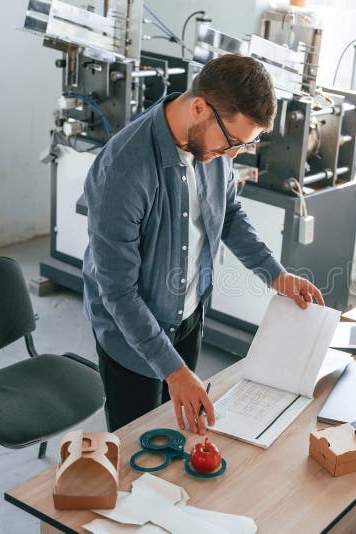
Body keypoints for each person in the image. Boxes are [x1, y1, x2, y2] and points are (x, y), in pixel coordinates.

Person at [82, 54, 324, 434]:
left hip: (189, 317)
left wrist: (276, 276)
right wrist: (174, 371)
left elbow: (228, 215)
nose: (233, 155)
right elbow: (118, 292)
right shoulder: (124, 169)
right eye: (233, 142)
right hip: (131, 339)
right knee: (136, 448)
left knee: (180, 438)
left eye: (244, 146)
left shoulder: (214, 147)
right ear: (199, 107)